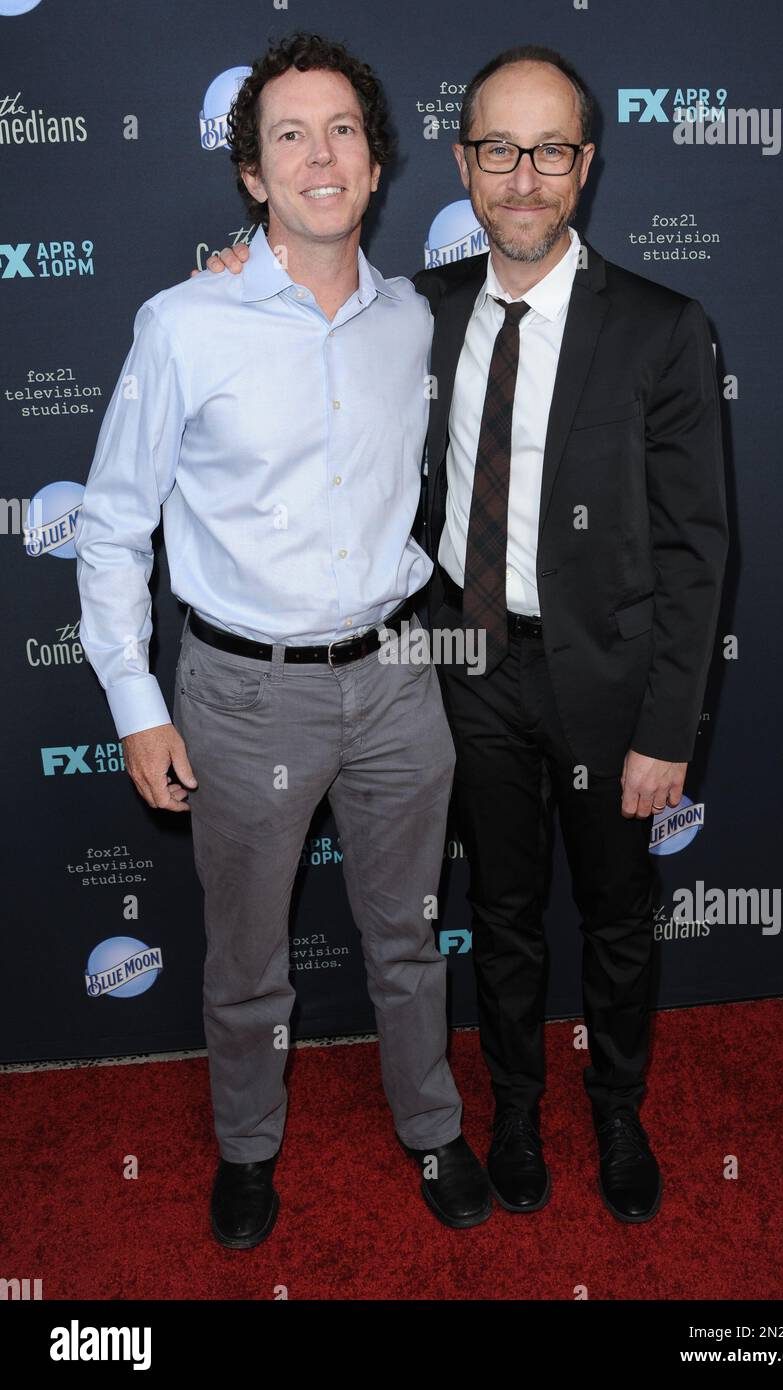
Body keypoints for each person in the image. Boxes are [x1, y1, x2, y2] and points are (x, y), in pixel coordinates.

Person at [206, 45, 729, 1226]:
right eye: (499, 149)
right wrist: (250, 269)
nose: (524, 177)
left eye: (551, 151)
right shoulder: (418, 313)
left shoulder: (660, 328)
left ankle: (617, 1112)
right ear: (463, 164)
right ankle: (509, 1115)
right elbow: (305, 313)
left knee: (613, 913)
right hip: (462, 667)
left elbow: (700, 551)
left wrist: (665, 730)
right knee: (494, 911)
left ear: (584, 167)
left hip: (607, 678)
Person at [74, 32, 491, 1250]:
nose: (321, 155)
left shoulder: (413, 318)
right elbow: (108, 529)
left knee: (408, 930)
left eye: (342, 130)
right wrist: (135, 702)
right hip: (242, 693)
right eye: (290, 136)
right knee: (247, 959)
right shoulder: (183, 323)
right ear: (254, 175)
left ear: (377, 161)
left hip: (400, 681)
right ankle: (249, 1148)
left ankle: (430, 1123)